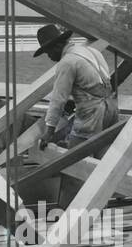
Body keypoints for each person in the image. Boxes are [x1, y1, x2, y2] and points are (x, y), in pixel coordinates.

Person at [32, 23, 119, 151]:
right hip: (111, 108)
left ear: (56, 47)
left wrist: (49, 132)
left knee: (74, 158)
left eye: (48, 52)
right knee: (103, 157)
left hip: (91, 114)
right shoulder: (92, 51)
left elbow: (58, 99)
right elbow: (95, 82)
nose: (49, 57)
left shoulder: (67, 62)